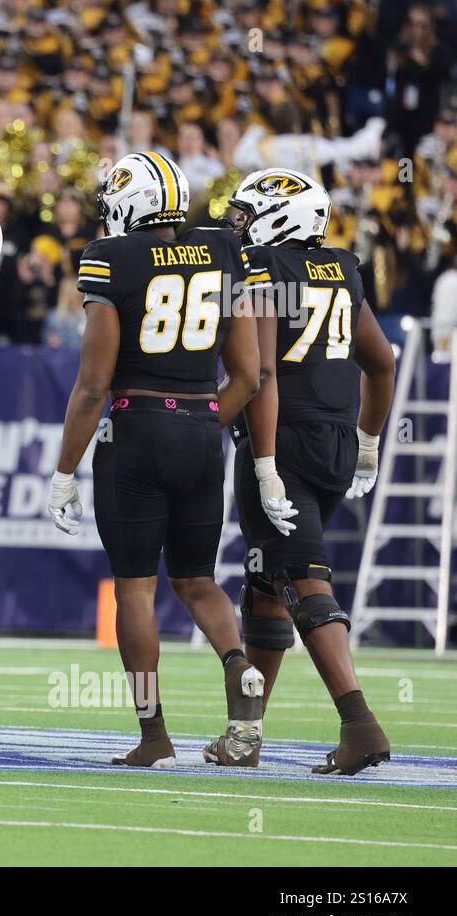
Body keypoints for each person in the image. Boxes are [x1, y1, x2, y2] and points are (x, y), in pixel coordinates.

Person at [48, 151, 266, 769]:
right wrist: (196, 420)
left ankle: (155, 737)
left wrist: (64, 471)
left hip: (137, 427)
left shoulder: (109, 256)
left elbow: (93, 384)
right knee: (199, 582)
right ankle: (238, 665)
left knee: (136, 591)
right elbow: (249, 376)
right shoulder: (225, 249)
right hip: (203, 426)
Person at [223, 168, 395, 775]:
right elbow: (382, 362)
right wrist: (369, 441)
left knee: (301, 580)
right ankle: (244, 737)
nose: (237, 223)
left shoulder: (264, 270)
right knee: (267, 582)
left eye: (248, 212)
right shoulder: (343, 267)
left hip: (283, 439)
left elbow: (262, 373)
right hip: (335, 443)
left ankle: (359, 724)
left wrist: (264, 462)